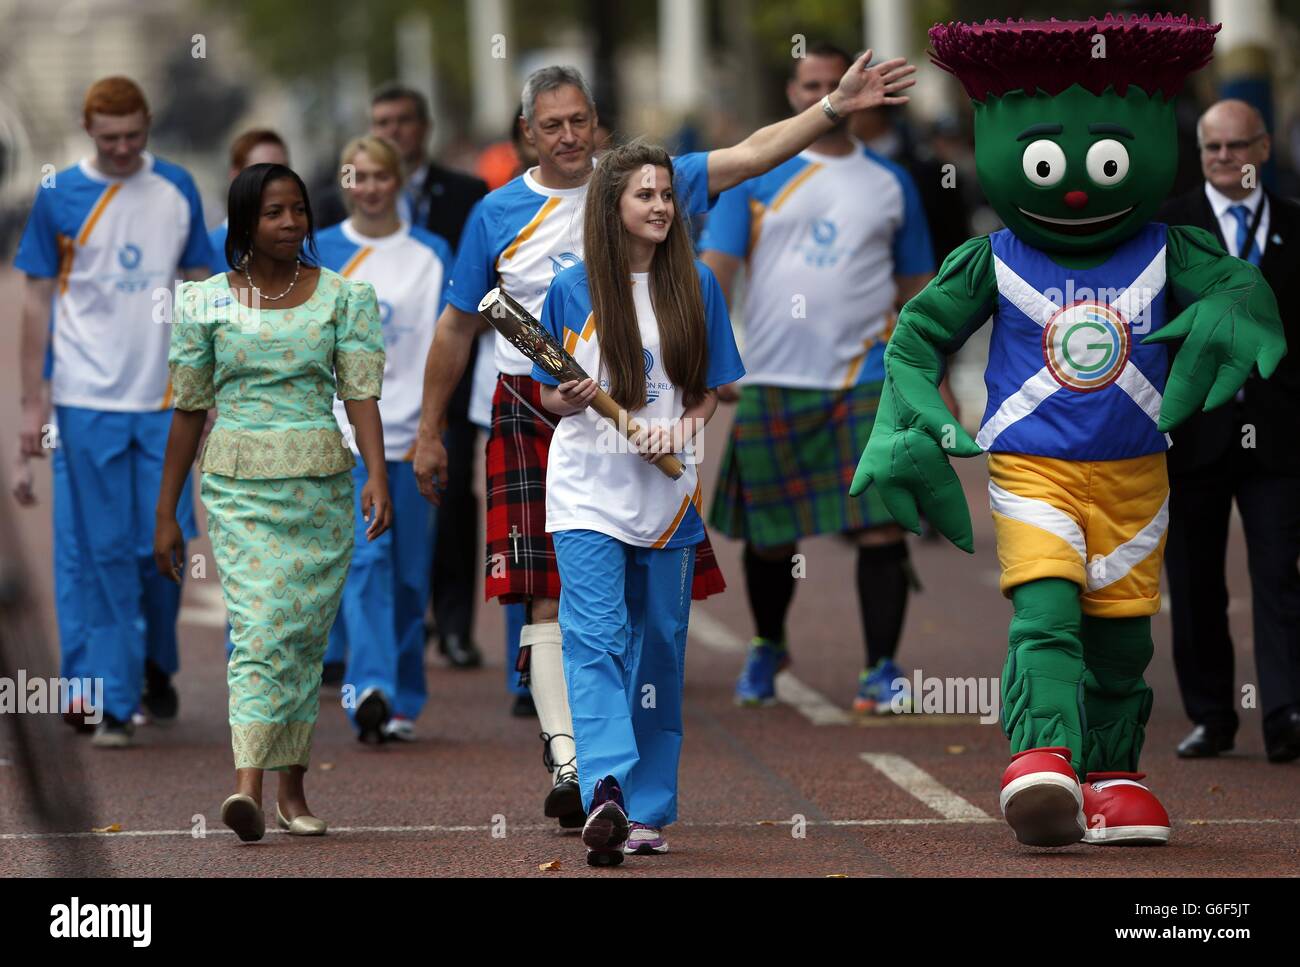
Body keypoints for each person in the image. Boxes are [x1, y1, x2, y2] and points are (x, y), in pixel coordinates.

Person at [413, 55, 917, 828]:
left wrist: (831, 111)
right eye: (552, 125)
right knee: (551, 592)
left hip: (652, 417)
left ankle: (628, 781)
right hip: (537, 404)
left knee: (652, 625)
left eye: (581, 119)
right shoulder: (495, 214)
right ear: (527, 135)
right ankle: (575, 759)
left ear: (598, 123)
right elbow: (457, 324)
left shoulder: (648, 184)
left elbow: (752, 154)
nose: (570, 135)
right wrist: (429, 430)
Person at [855, 16, 1284, 848]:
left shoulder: (1170, 248)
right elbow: (915, 337)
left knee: (1123, 633)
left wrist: (1237, 311)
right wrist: (916, 415)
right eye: (1050, 162)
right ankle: (1044, 754)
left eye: (1109, 161)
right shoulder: (998, 257)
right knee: (1047, 612)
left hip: (1137, 473)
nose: (1081, 187)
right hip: (1034, 467)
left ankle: (1114, 775)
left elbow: (1237, 287)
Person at [154, 163, 390, 841]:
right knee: (259, 626)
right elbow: (188, 409)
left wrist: (376, 474)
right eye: (273, 214)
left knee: (302, 637)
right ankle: (247, 787)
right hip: (238, 486)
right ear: (242, 224)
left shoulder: (345, 298)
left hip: (320, 485)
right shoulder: (204, 303)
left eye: (298, 212)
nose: (291, 225)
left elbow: (360, 395)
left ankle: (292, 788)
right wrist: (166, 512)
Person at [700, 42, 935, 712]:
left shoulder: (891, 182)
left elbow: (918, 292)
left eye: (840, 82)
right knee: (772, 540)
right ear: (793, 94)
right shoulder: (754, 174)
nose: (827, 93)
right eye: (813, 84)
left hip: (865, 378)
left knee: (882, 526)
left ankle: (880, 669)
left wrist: (929, 379)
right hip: (774, 378)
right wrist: (711, 365)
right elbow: (715, 277)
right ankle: (769, 641)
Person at [534, 140, 745, 864]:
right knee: (594, 639)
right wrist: (564, 396)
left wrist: (682, 429)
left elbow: (711, 387)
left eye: (665, 195)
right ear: (612, 208)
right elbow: (547, 391)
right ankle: (607, 790)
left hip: (669, 494)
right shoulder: (571, 288)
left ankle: (648, 806)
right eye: (644, 196)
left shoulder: (697, 285)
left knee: (658, 647)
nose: (660, 206)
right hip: (586, 490)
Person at [14, 76, 212, 745]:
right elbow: (37, 298)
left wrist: (210, 375)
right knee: (100, 552)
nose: (123, 149)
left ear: (148, 124)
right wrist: (30, 401)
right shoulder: (58, 193)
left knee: (163, 544)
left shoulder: (177, 187)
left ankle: (150, 665)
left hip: (165, 400)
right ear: (88, 128)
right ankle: (111, 699)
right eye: (110, 139)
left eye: (134, 135)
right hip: (87, 396)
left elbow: (197, 283)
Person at [1158, 99, 1300, 764]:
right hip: (1194, 434)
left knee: (1280, 574)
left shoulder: (1296, 224)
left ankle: (1285, 711)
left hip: (1279, 435)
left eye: (1236, 147)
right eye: (1212, 148)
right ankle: (1212, 715)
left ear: (1263, 150)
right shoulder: (1169, 228)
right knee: (1194, 579)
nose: (1223, 159)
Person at [316, 135, 452, 743]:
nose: (369, 187)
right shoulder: (320, 251)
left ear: (398, 180)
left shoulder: (431, 253)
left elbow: (445, 346)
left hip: (413, 439)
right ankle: (369, 687)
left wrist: (433, 429)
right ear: (345, 183)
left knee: (407, 576)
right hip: (346, 438)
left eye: (380, 176)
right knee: (364, 562)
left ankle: (402, 698)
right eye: (357, 176)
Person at [371, 82, 490, 670]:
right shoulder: (348, 199)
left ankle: (456, 624)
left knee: (453, 494)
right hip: (376, 386)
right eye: (382, 122)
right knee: (379, 500)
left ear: (424, 127)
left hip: (454, 377)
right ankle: (398, 623)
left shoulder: (468, 195)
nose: (392, 131)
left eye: (402, 121)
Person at [209, 129, 290, 271]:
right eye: (263, 170)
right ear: (236, 177)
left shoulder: (307, 245)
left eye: (284, 169)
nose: (278, 180)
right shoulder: (208, 252)